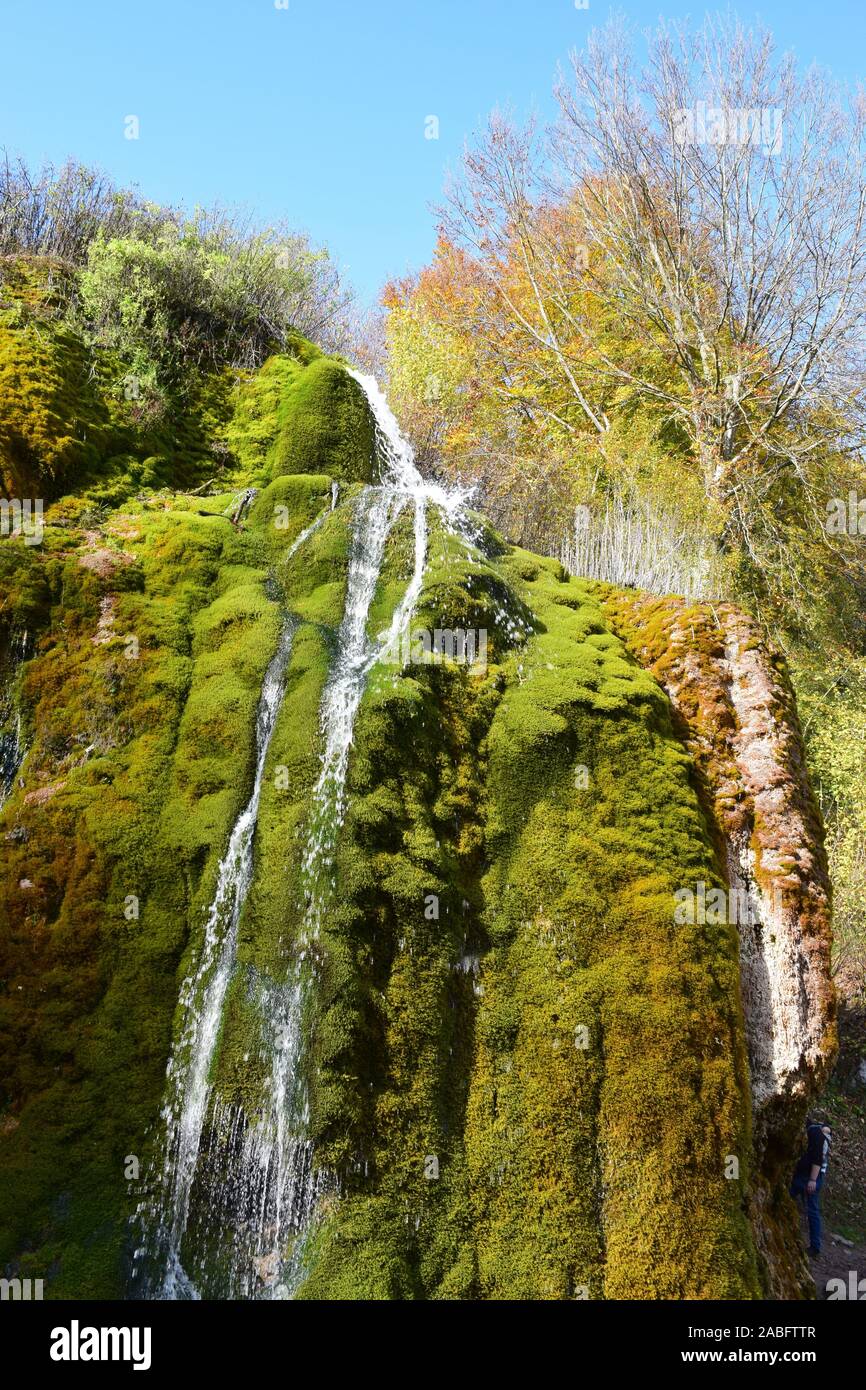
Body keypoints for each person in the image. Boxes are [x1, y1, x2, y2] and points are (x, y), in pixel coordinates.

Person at [790, 1117, 832, 1256]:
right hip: (803, 1176)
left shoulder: (814, 1134)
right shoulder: (813, 1131)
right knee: (788, 1198)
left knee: (812, 1210)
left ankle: (815, 1246)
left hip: (810, 1177)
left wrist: (813, 1180)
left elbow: (817, 1160)